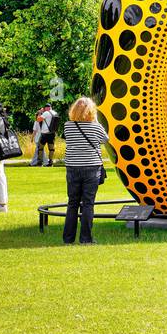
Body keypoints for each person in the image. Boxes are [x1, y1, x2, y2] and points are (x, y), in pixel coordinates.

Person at [62, 97, 108, 245]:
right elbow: (105, 139)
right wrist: (95, 122)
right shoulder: (95, 127)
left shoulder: (67, 126)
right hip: (91, 168)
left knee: (72, 203)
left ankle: (68, 238)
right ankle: (86, 239)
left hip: (73, 167)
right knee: (88, 203)